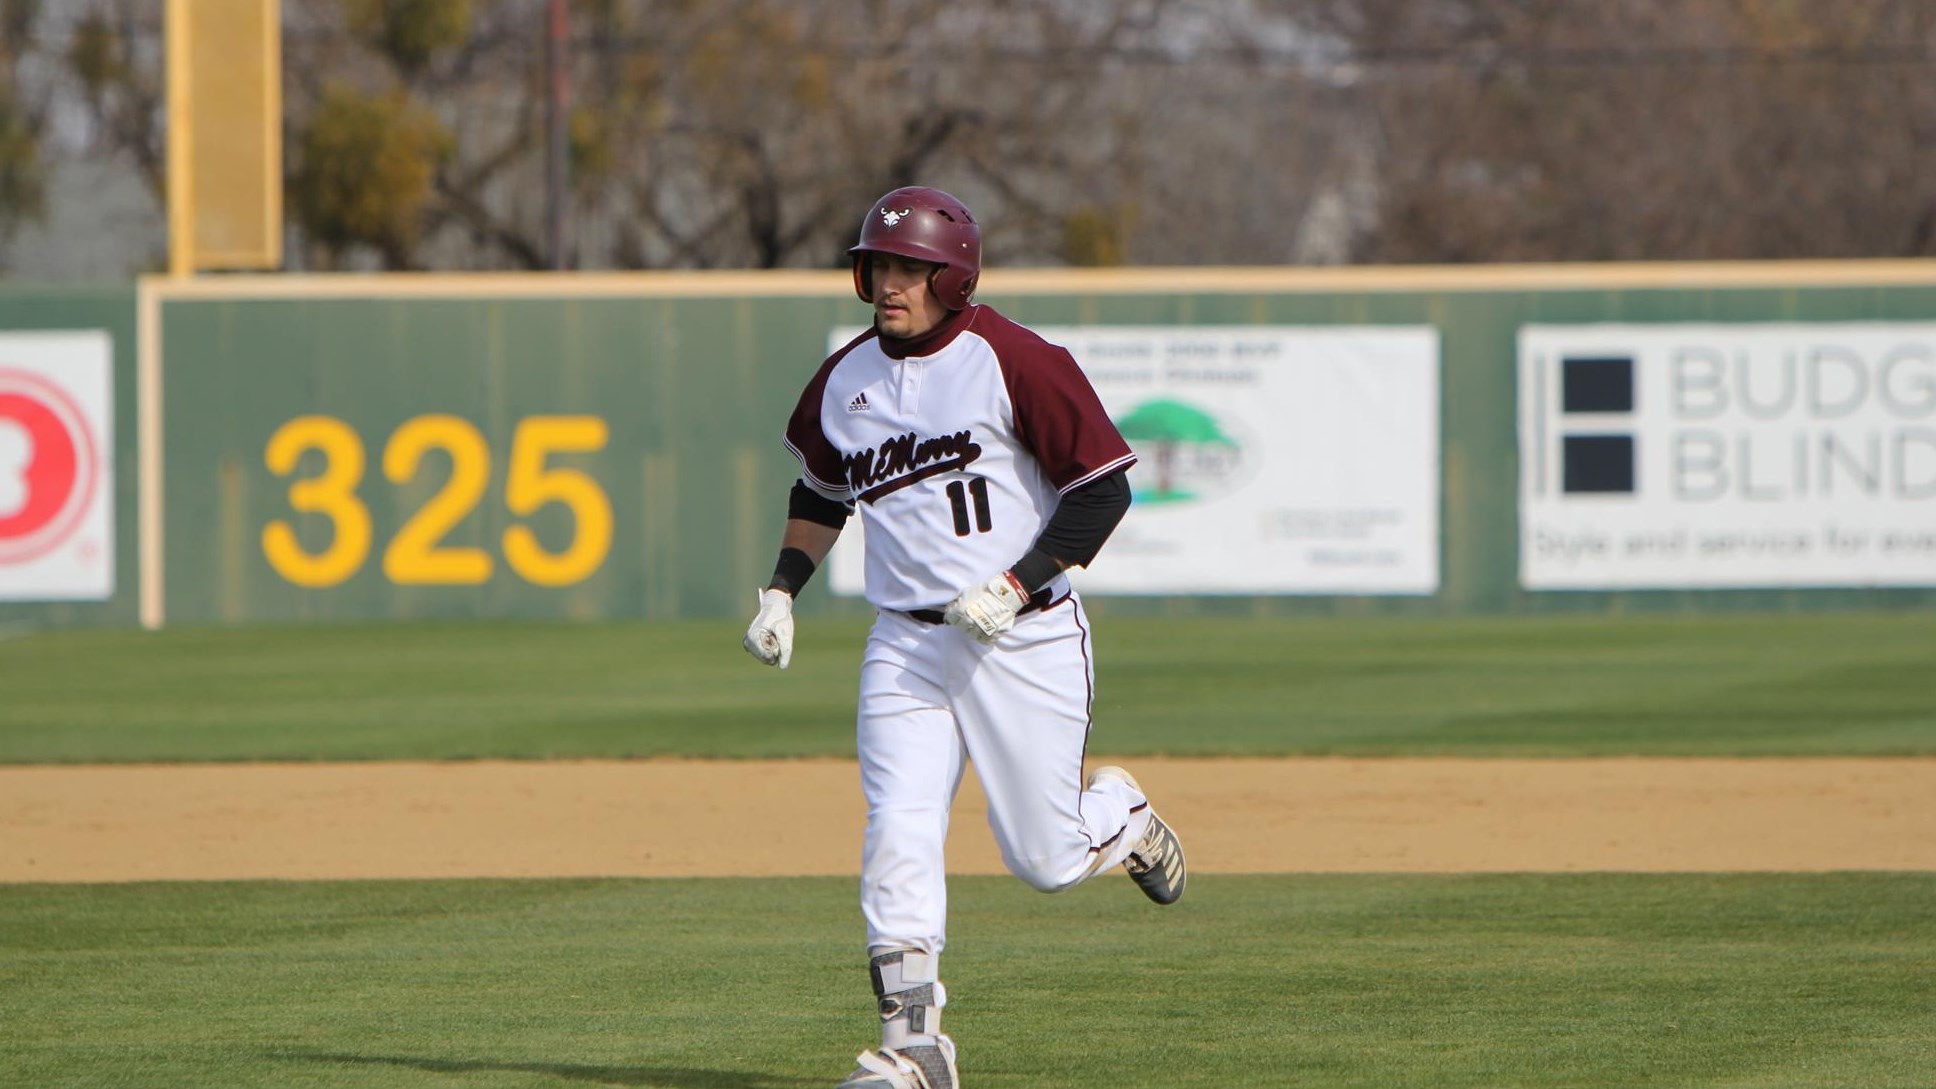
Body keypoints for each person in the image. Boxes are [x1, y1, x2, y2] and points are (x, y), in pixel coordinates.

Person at [740, 185, 1186, 1089]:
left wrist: (1020, 582)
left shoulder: (1013, 358)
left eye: (912, 268)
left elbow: (1102, 489)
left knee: (1047, 858)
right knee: (898, 825)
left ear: (955, 274)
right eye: (880, 267)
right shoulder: (844, 379)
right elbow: (822, 493)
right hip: (904, 644)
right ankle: (915, 1048)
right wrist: (783, 590)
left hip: (1023, 640)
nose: (891, 284)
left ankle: (1125, 815)